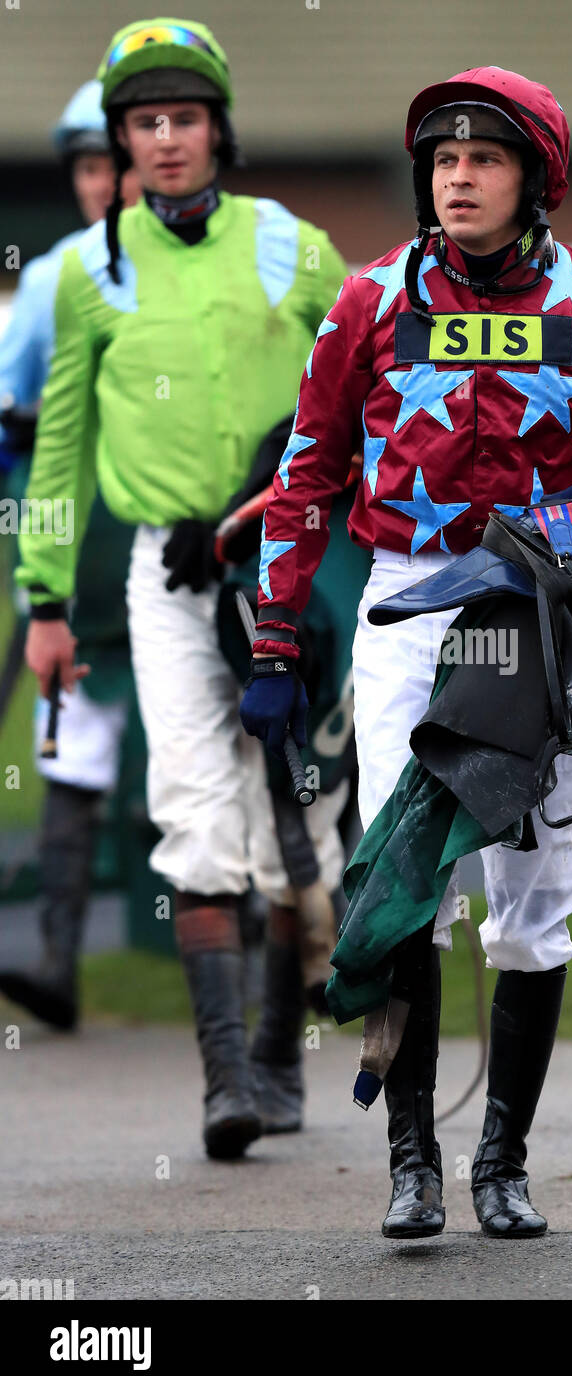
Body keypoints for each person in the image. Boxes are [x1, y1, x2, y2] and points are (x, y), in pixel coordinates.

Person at [240, 67, 572, 1238]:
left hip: (542, 622)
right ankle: (413, 1165)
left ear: (532, 181)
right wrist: (275, 631)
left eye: (485, 159)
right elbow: (307, 472)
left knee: (531, 906)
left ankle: (502, 1164)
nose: (457, 176)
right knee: (405, 890)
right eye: (443, 159)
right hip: (408, 607)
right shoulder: (364, 304)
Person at [15, 18, 347, 1158]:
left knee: (297, 823)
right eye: (143, 124)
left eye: (184, 119)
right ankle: (225, 1084)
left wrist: (300, 482)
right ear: (121, 138)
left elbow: (368, 382)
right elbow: (56, 457)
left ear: (219, 130)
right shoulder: (83, 274)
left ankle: (276, 1052)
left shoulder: (294, 249)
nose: (164, 142)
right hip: (162, 578)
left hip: (281, 565)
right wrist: (45, 606)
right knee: (195, 816)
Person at [0, 80, 141, 1031]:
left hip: (181, 554)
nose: (103, 186)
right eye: (90, 168)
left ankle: (270, 967)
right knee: (76, 749)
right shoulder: (53, 278)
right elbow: (10, 420)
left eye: (115, 166)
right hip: (83, 558)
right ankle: (57, 963)